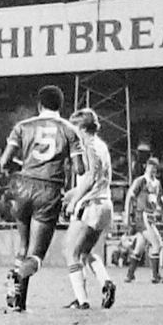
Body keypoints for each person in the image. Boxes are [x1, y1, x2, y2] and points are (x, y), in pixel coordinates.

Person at [0, 84, 83, 312]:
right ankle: (16, 275)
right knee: (35, 256)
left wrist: (26, 165)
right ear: (61, 106)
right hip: (49, 190)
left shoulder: (22, 126)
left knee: (23, 247)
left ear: (39, 105)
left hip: (23, 186)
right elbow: (80, 168)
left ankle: (19, 304)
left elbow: (4, 162)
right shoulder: (69, 130)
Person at [62, 108, 118, 310]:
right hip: (104, 204)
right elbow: (98, 179)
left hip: (90, 205)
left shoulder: (87, 146)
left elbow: (89, 178)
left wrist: (74, 201)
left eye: (75, 127)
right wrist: (69, 194)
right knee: (85, 252)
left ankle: (82, 300)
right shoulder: (101, 146)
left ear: (83, 128)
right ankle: (106, 282)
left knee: (70, 252)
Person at [123, 156, 163, 284]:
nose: (152, 169)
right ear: (146, 167)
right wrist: (127, 214)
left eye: (154, 167)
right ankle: (155, 276)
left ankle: (130, 275)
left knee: (139, 247)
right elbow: (130, 196)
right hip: (142, 216)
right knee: (157, 244)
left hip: (150, 216)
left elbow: (160, 198)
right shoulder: (141, 181)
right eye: (150, 166)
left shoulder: (157, 183)